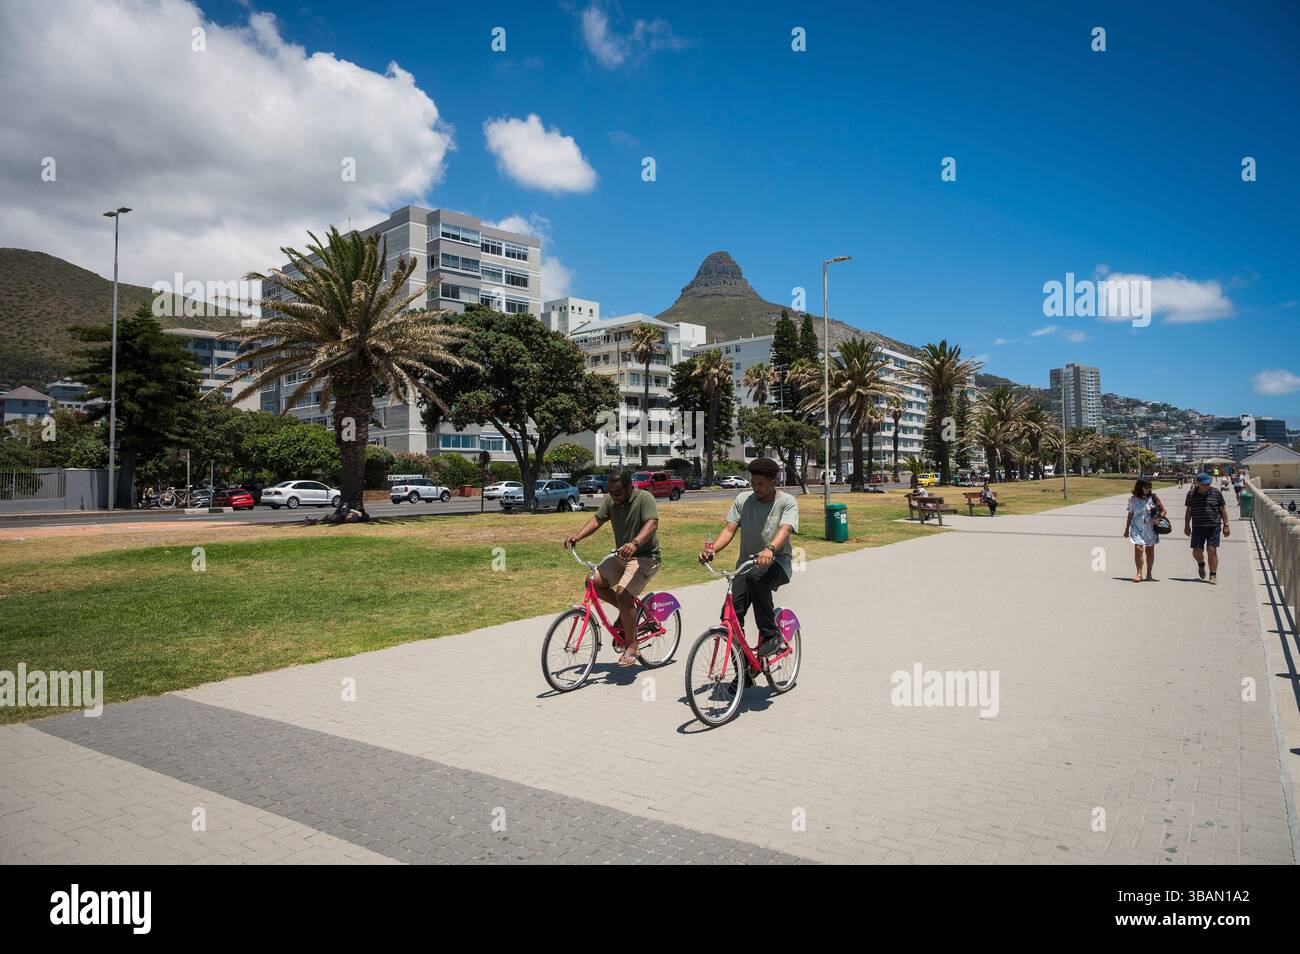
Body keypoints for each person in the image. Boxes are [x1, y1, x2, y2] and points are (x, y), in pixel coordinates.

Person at [698, 457, 799, 661]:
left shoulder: (787, 502)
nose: (756, 487)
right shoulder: (743, 500)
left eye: (761, 484)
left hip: (776, 562)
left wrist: (770, 549)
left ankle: (772, 635)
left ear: (774, 481)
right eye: (753, 483)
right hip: (745, 565)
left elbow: (785, 529)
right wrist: (712, 550)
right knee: (730, 615)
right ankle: (744, 670)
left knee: (757, 578)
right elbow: (729, 529)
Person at [564, 469, 661, 667]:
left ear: (629, 487)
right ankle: (627, 615)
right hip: (621, 556)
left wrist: (634, 543)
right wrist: (578, 536)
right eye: (610, 492)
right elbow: (597, 520)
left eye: (617, 493)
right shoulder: (611, 500)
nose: (613, 497)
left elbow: (651, 524)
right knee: (592, 581)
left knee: (623, 594)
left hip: (645, 557)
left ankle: (632, 645)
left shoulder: (645, 498)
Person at [1185, 472, 1230, 585]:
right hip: (1198, 527)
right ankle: (1201, 564)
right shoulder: (1191, 494)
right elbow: (1189, 511)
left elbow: (1223, 510)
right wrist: (1186, 525)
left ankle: (1213, 575)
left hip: (1213, 526)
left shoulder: (1216, 493)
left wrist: (1226, 525)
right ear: (1197, 483)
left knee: (1211, 550)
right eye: (1204, 484)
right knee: (1197, 552)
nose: (1207, 486)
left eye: (1208, 484)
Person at [1123, 477, 1165, 582]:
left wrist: (1158, 518)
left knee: (1149, 550)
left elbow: (1164, 511)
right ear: (1139, 487)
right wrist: (1126, 528)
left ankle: (1149, 573)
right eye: (1146, 487)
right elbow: (1130, 514)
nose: (1148, 489)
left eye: (1149, 487)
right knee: (1138, 549)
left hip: (1150, 528)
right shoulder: (1133, 499)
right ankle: (1139, 573)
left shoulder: (1154, 498)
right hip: (1136, 527)